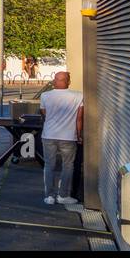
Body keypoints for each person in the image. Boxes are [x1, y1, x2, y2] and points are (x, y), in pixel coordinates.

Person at [40, 71, 84, 205]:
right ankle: (63, 195)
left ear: (54, 81)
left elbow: (44, 113)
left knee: (49, 165)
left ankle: (49, 196)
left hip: (48, 135)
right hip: (68, 136)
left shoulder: (45, 95)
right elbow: (79, 119)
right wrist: (79, 135)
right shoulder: (79, 96)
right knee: (68, 166)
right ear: (68, 82)